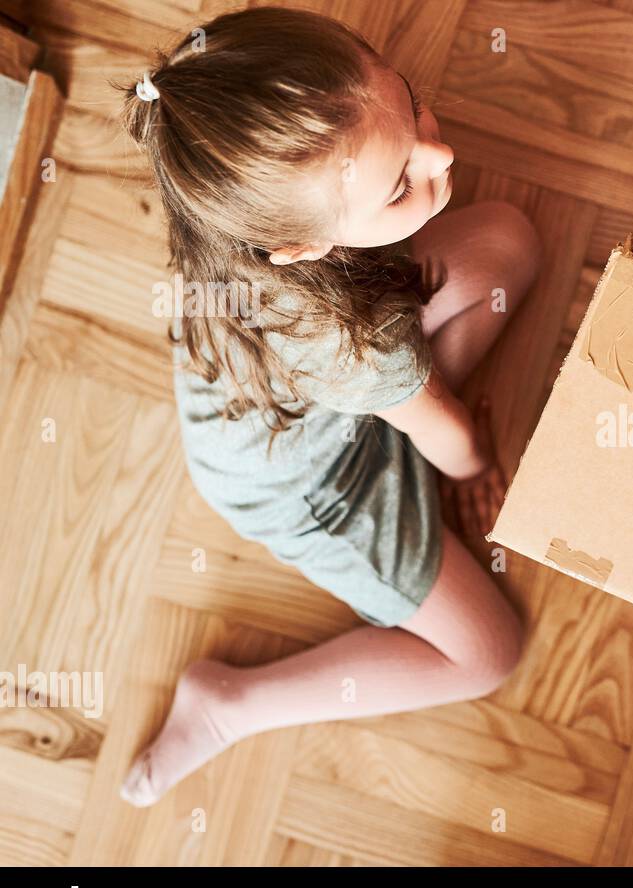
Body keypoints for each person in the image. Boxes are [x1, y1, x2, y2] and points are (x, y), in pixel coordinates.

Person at [116, 6, 537, 806]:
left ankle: (397, 409)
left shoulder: (228, 213)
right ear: (306, 249)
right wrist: (474, 457)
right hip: (310, 492)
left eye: (408, 105)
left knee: (509, 243)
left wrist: (390, 186)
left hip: (327, 392)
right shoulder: (352, 342)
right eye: (398, 184)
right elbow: (451, 438)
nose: (440, 153)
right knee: (490, 651)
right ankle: (230, 705)